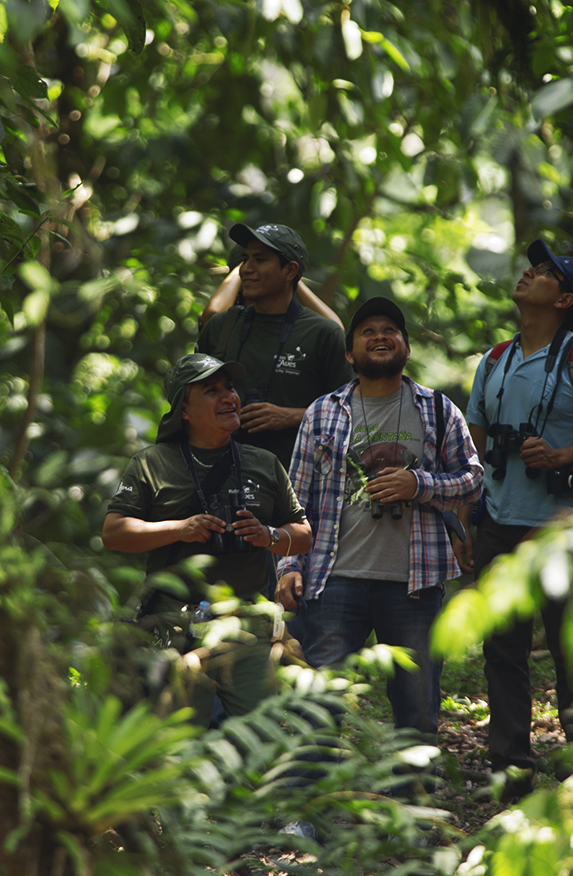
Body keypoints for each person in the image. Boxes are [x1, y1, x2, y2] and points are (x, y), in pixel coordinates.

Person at [457, 241, 573, 798]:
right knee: (503, 651)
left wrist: (561, 456)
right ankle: (510, 765)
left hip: (566, 524)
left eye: (544, 272)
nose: (528, 273)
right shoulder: (495, 359)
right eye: (531, 266)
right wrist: (471, 520)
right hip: (501, 523)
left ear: (564, 298)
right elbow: (478, 442)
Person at [275, 297, 482, 736]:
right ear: (350, 354)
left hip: (415, 585)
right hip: (333, 579)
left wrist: (419, 484)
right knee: (318, 705)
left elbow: (472, 479)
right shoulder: (323, 412)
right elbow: (294, 500)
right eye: (367, 331)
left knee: (417, 707)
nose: (381, 336)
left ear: (406, 347)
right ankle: (308, 796)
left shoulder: (439, 410)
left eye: (391, 329)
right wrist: (289, 566)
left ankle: (413, 798)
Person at [103, 353, 312, 726]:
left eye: (230, 388)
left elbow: (303, 535)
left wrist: (269, 536)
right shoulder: (152, 463)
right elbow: (114, 533)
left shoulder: (263, 463)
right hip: (176, 625)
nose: (228, 397)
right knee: (177, 738)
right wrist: (179, 528)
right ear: (184, 409)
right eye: (212, 390)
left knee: (259, 735)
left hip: (247, 623)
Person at [195, 224, 355, 469]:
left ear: (290, 271)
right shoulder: (222, 326)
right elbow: (191, 401)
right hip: (221, 477)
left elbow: (351, 413)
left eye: (260, 260)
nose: (246, 269)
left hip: (296, 483)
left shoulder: (322, 333)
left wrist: (289, 417)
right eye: (244, 259)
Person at [200, 244, 344, 330]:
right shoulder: (230, 317)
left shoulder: (291, 316)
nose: (249, 270)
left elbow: (334, 329)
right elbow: (213, 316)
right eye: (245, 261)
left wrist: (291, 276)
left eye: (261, 261)